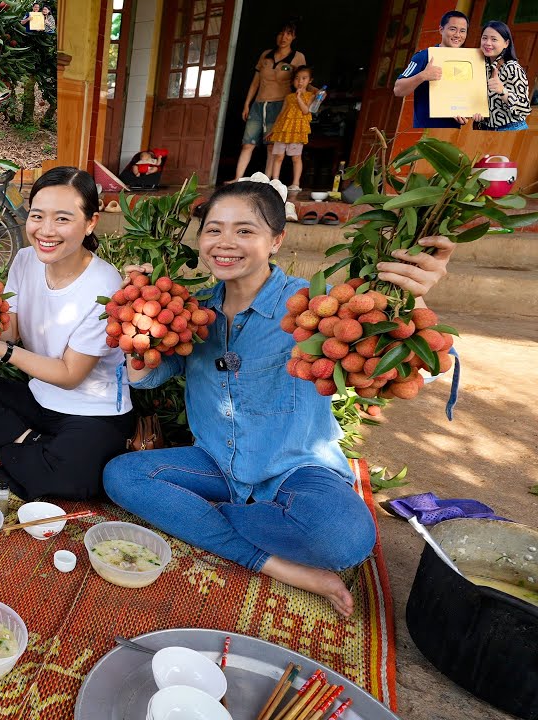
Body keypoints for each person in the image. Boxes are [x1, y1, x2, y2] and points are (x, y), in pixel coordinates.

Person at [101, 178, 455, 617]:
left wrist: (410, 297)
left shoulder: (312, 305)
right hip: (215, 461)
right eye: (213, 229)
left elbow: (405, 360)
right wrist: (136, 338)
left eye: (245, 230)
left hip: (297, 467)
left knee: (344, 542)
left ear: (276, 239)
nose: (225, 242)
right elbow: (150, 379)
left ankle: (196, 517)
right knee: (122, 476)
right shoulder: (195, 310)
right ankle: (276, 563)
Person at [0, 167, 136, 501]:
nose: (46, 230)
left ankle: (7, 446)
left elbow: (70, 376)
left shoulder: (105, 285)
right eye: (37, 215)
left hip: (92, 412)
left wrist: (0, 350)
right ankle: (28, 446)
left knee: (74, 481)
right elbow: (9, 330)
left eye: (63, 219)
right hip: (38, 399)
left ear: (91, 223)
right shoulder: (25, 260)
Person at [234, 20, 306, 181]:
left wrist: (315, 93)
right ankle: (237, 178)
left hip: (280, 106)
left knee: (272, 146)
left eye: (288, 34)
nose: (284, 37)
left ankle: (266, 182)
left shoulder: (297, 57)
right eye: (281, 33)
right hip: (259, 104)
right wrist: (247, 103)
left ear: (294, 37)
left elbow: (303, 80)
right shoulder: (266, 55)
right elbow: (255, 82)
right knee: (248, 143)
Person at [392, 11, 469, 130]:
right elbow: (398, 89)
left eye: (462, 31)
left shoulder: (469, 62)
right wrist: (423, 75)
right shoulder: (423, 56)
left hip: (453, 133)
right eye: (453, 29)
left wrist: (467, 113)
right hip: (425, 132)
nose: (458, 35)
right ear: (441, 30)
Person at [266, 66, 317, 194]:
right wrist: (273, 129)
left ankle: (295, 183)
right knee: (278, 156)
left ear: (310, 81)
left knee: (296, 158)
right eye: (297, 78)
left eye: (304, 78)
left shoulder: (310, 96)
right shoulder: (289, 97)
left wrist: (299, 97)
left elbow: (305, 111)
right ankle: (275, 182)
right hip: (283, 130)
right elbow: (281, 114)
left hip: (297, 131)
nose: (300, 81)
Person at [474, 21, 531, 131]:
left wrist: (502, 91)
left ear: (506, 43)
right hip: (486, 129)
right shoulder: (480, 66)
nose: (488, 43)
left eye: (494, 39)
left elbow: (524, 108)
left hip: (510, 129)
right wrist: (476, 112)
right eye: (484, 38)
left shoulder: (512, 68)